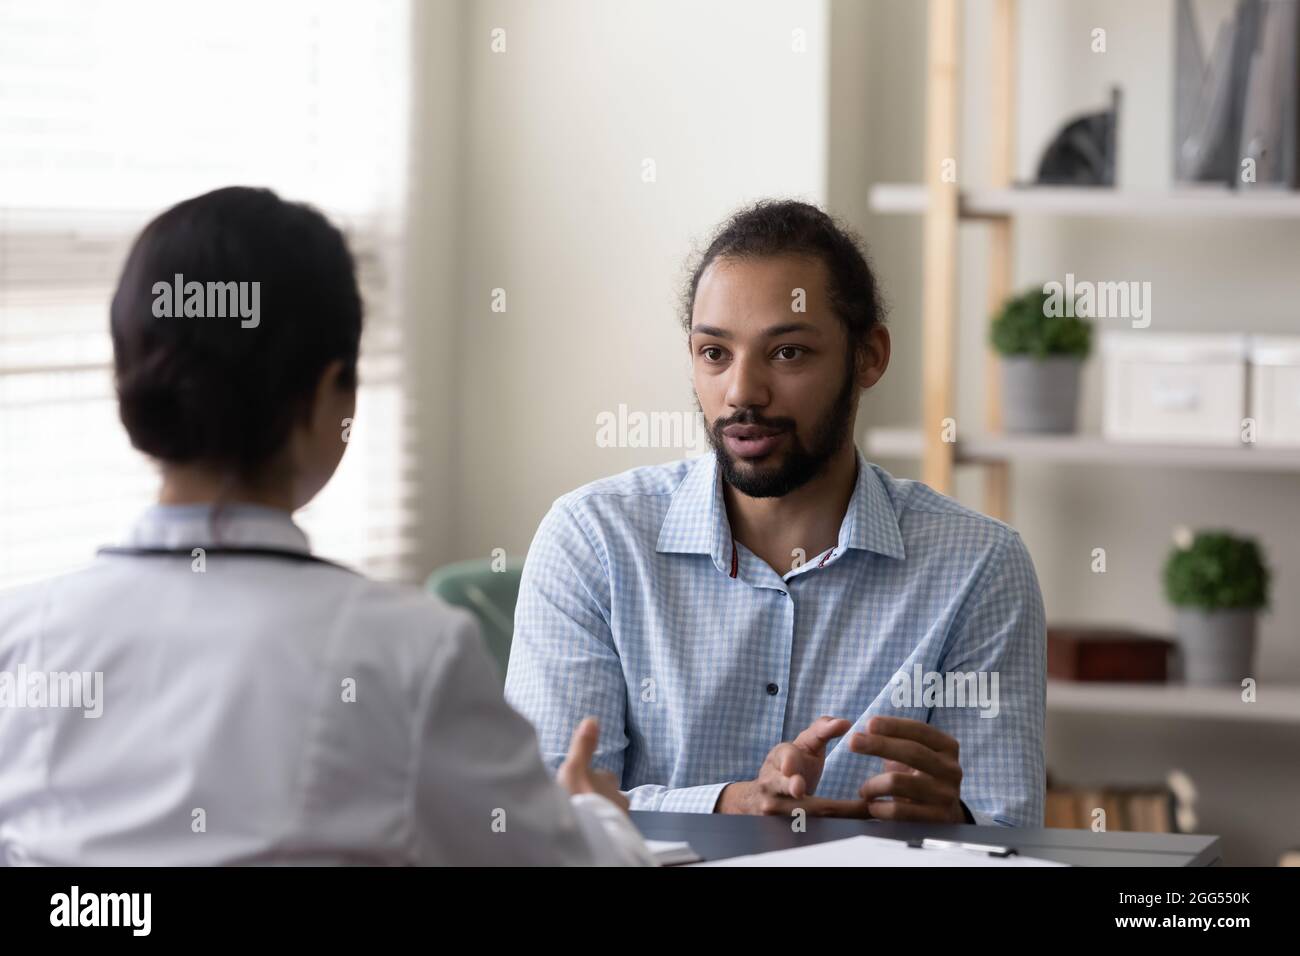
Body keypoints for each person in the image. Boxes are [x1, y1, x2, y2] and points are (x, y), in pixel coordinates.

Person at [0, 186, 653, 866]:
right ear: (327, 392)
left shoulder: (16, 636)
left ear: (126, 382)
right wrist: (600, 821)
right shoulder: (407, 653)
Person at [506, 200, 1046, 826]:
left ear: (868, 356)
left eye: (787, 353)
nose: (741, 393)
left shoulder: (978, 567)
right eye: (715, 353)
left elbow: (1009, 831)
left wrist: (958, 825)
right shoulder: (592, 540)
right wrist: (727, 804)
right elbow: (544, 811)